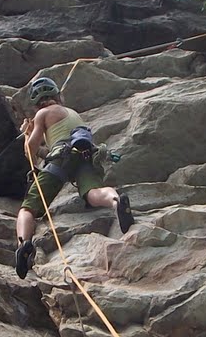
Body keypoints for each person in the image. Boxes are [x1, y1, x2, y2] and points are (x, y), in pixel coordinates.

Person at [13, 76, 132, 278]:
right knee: (93, 193)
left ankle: (24, 244)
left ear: (36, 104)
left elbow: (31, 147)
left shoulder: (43, 113)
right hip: (85, 155)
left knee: (29, 208)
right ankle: (116, 202)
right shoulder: (72, 113)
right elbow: (50, 147)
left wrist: (29, 136)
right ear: (58, 95)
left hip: (61, 160)